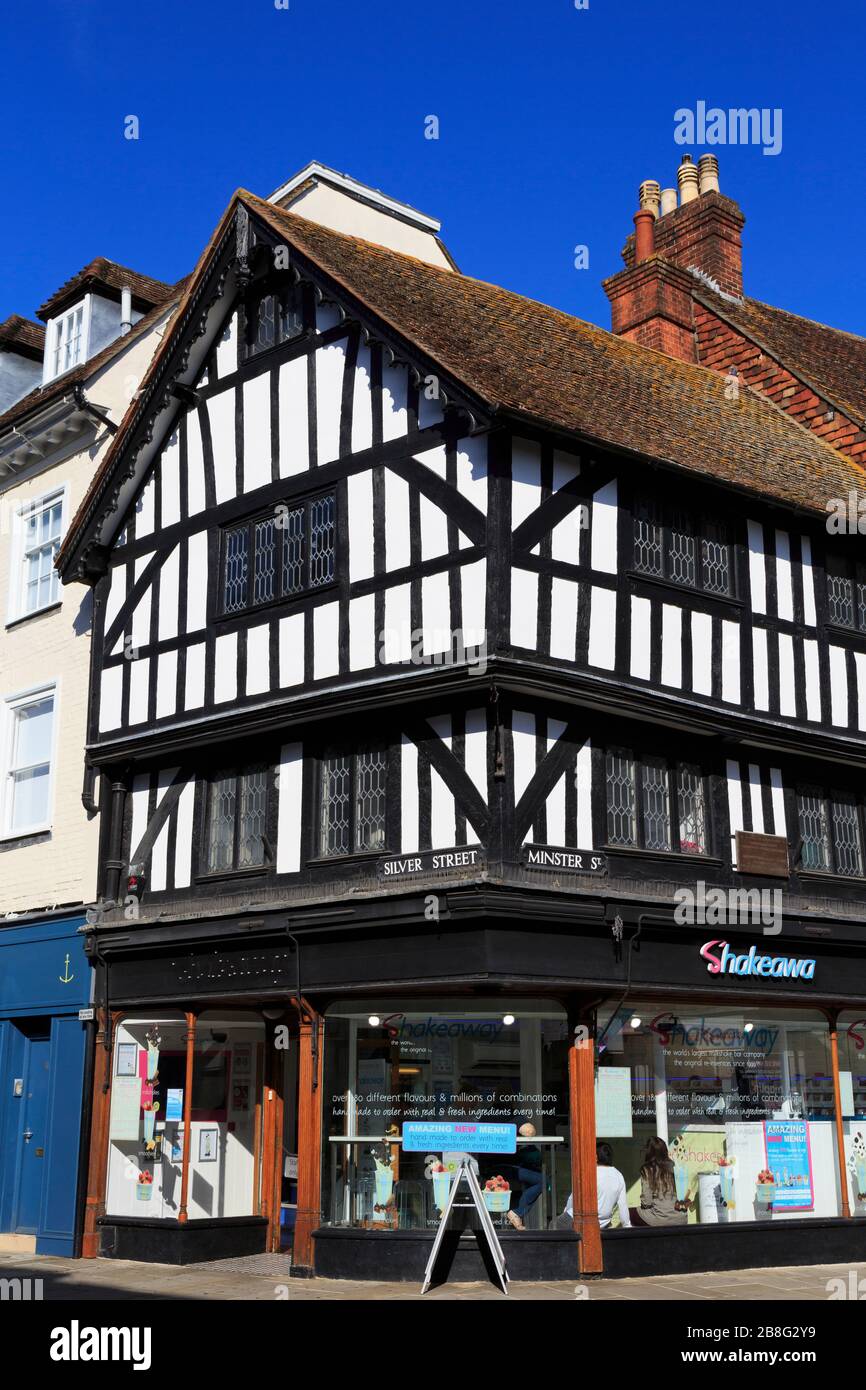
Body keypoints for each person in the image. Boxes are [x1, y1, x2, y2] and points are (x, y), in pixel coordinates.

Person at [554, 1141, 631, 1230]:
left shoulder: (590, 1174)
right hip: (603, 1223)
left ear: (596, 1157)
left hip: (580, 1220)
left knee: (554, 1224)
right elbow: (623, 1205)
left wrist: (565, 1212)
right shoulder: (618, 1175)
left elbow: (573, 1198)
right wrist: (627, 1226)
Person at [630, 1135, 688, 1226]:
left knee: (629, 1213)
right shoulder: (674, 1166)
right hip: (682, 1218)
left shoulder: (648, 1169)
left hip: (660, 1219)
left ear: (648, 1152)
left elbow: (646, 1202)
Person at [506, 1124, 544, 1230]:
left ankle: (516, 1215)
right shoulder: (513, 1119)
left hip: (515, 1167)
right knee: (543, 1181)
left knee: (534, 1181)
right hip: (506, 1166)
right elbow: (529, 1131)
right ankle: (517, 1213)